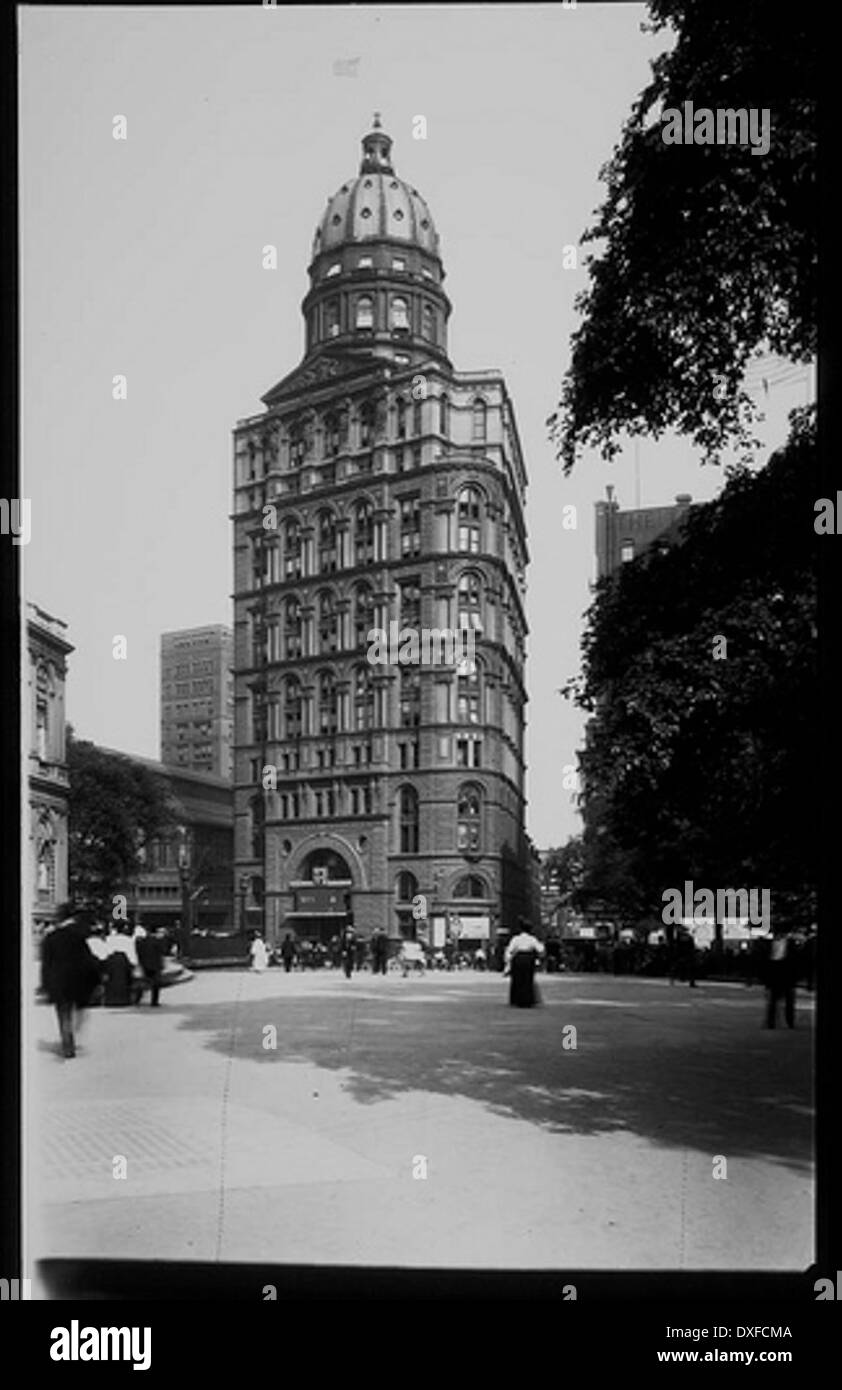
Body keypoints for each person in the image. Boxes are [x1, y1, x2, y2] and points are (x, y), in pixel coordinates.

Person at [41, 911, 103, 1057]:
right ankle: (72, 1034)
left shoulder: (50, 938)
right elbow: (88, 961)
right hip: (77, 981)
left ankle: (67, 1045)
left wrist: (45, 985)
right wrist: (96, 980)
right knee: (78, 1011)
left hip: (58, 981)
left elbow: (46, 964)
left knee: (63, 1014)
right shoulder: (78, 937)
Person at [504, 920, 545, 1008]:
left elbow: (510, 950)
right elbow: (540, 949)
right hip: (529, 959)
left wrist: (508, 961)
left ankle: (516, 1000)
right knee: (528, 979)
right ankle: (527, 1000)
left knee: (517, 979)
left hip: (518, 959)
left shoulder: (516, 938)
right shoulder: (532, 939)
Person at [764, 927, 798, 1029]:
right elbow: (766, 963)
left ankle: (790, 1021)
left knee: (789, 1001)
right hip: (775, 974)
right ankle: (771, 1022)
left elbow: (796, 961)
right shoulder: (769, 945)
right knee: (773, 1001)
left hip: (787, 975)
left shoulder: (791, 945)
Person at [103, 922, 139, 1006]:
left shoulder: (108, 939)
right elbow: (131, 952)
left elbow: (106, 951)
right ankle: (123, 1000)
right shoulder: (128, 940)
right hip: (124, 961)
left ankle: (111, 1000)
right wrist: (134, 963)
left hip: (111, 960)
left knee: (111, 981)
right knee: (124, 981)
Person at [137, 928, 166, 1006]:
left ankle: (138, 999)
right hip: (155, 965)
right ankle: (154, 1001)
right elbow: (163, 951)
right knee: (155, 984)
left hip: (145, 964)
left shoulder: (142, 941)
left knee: (143, 981)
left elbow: (139, 952)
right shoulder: (158, 941)